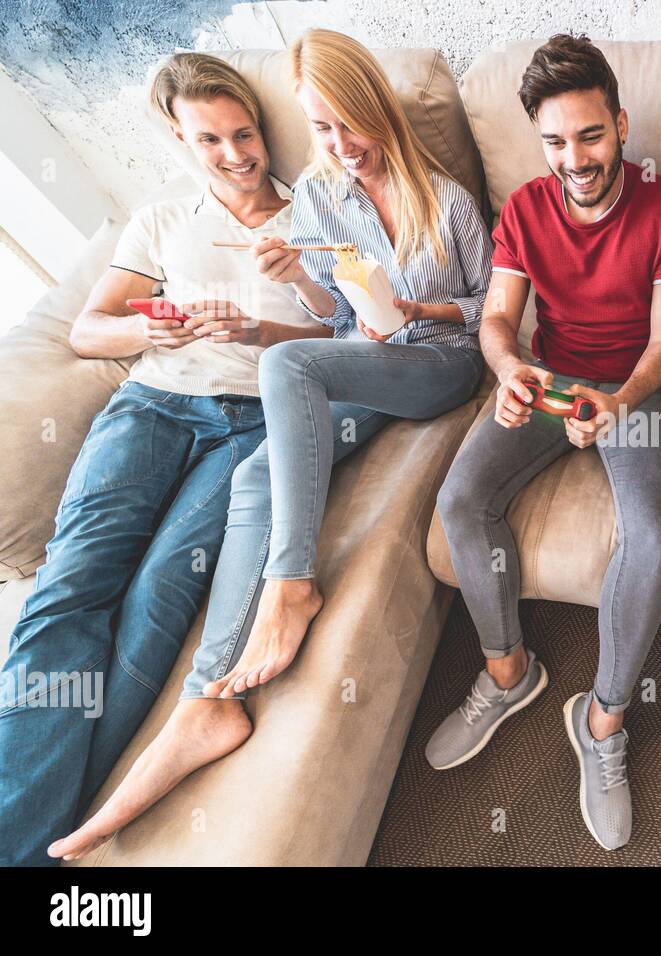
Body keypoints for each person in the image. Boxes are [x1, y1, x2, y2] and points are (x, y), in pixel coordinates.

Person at [48, 29, 490, 861]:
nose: (339, 145)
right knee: (254, 477)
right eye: (321, 129)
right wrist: (304, 280)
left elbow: (484, 309)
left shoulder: (448, 199)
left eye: (349, 124)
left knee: (287, 364)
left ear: (378, 109)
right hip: (365, 365)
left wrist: (413, 310)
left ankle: (291, 586)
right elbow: (330, 324)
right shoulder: (320, 198)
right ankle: (205, 703)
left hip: (438, 368)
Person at [0, 53, 331, 866]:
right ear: (181, 140)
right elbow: (88, 331)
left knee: (156, 601)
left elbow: (349, 344)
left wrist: (270, 322)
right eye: (211, 140)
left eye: (245, 134)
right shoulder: (159, 221)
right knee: (70, 592)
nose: (235, 154)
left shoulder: (314, 218)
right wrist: (156, 327)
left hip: (253, 421)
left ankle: (41, 835)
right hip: (150, 408)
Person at [427, 34, 661, 852]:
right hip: (551, 377)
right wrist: (511, 371)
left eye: (589, 135)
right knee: (460, 500)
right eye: (555, 142)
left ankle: (604, 718)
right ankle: (510, 673)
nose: (575, 158)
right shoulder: (522, 210)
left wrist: (616, 402)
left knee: (652, 533)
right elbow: (501, 321)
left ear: (620, 123)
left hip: (635, 391)